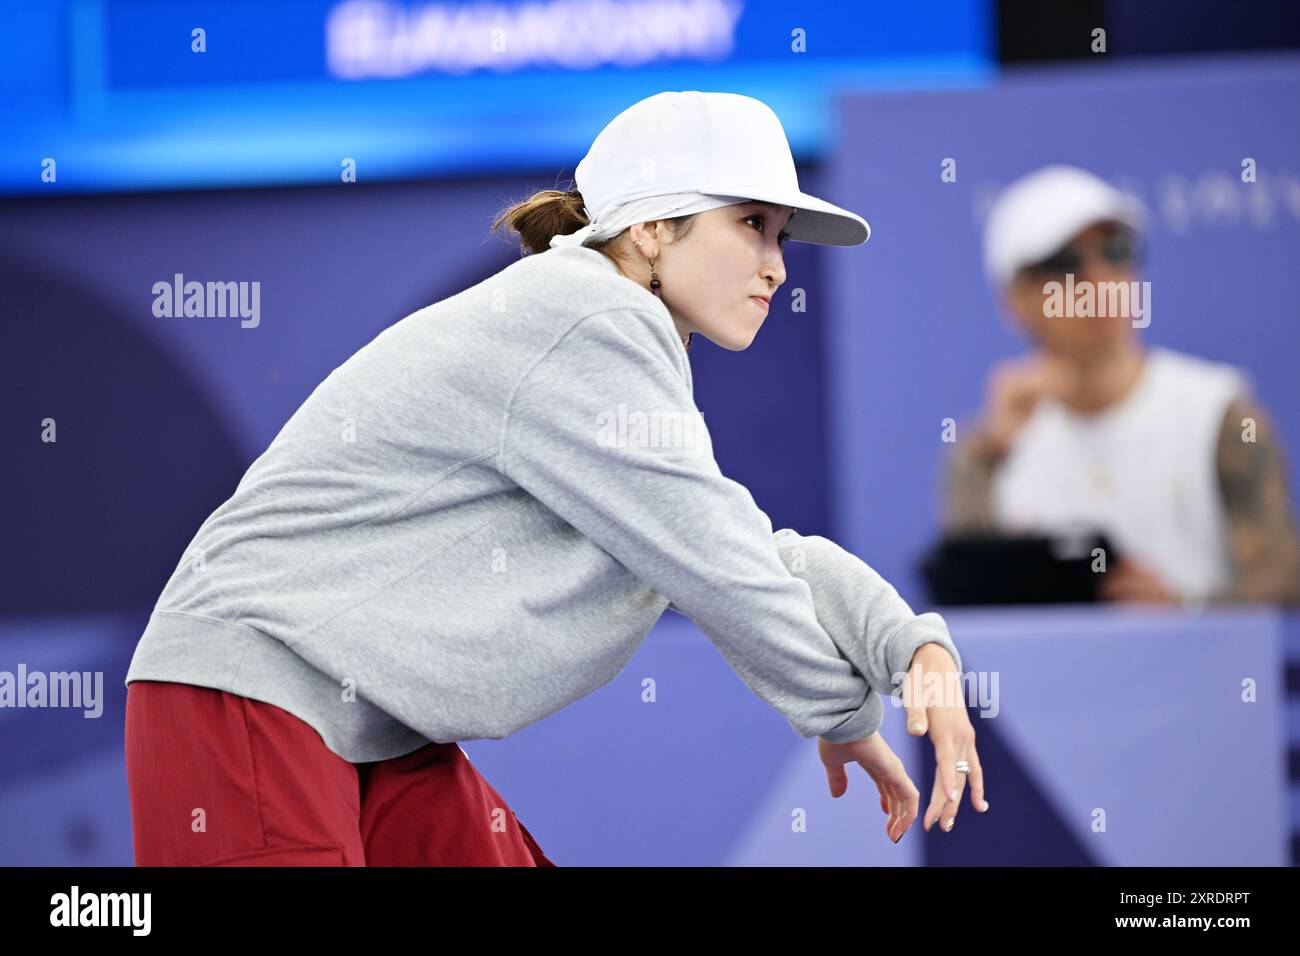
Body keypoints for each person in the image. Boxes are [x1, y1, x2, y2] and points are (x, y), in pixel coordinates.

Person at [125, 91, 985, 868]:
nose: (777, 266)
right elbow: (719, 564)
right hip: (245, 691)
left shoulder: (603, 334)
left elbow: (745, 548)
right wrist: (845, 711)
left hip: (370, 726)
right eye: (751, 224)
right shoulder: (586, 317)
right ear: (652, 228)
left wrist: (912, 649)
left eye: (780, 237)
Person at [943, 165, 1300, 605]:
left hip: (1206, 675)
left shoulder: (1218, 415)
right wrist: (990, 453)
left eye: (1117, 251)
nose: (1099, 280)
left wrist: (1184, 609)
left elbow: (1283, 582)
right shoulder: (993, 445)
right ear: (1015, 299)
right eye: (1066, 263)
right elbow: (968, 597)